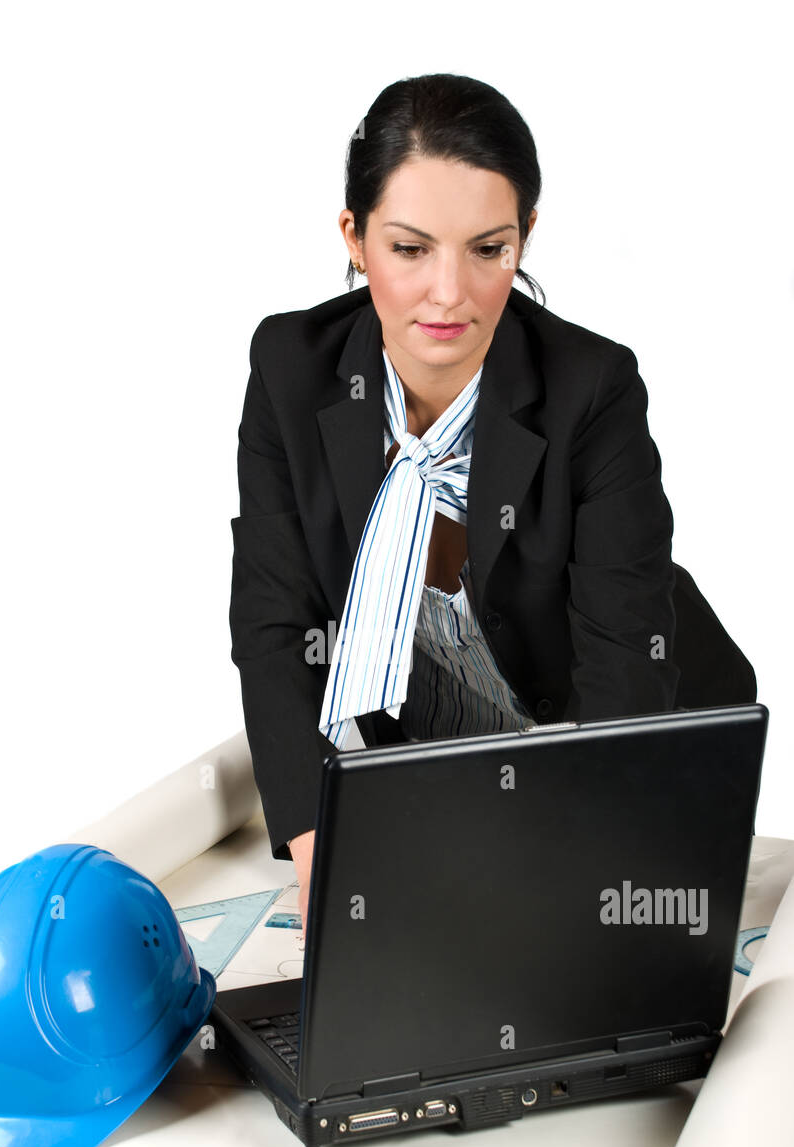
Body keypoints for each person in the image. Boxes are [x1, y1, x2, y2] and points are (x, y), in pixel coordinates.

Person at [229, 73, 756, 939]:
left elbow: (626, 667)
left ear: (525, 238)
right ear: (354, 238)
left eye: (487, 248)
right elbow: (274, 627)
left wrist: (589, 880)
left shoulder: (593, 389)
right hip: (450, 764)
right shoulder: (290, 368)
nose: (450, 293)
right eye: (409, 249)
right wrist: (324, 865)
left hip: (639, 743)